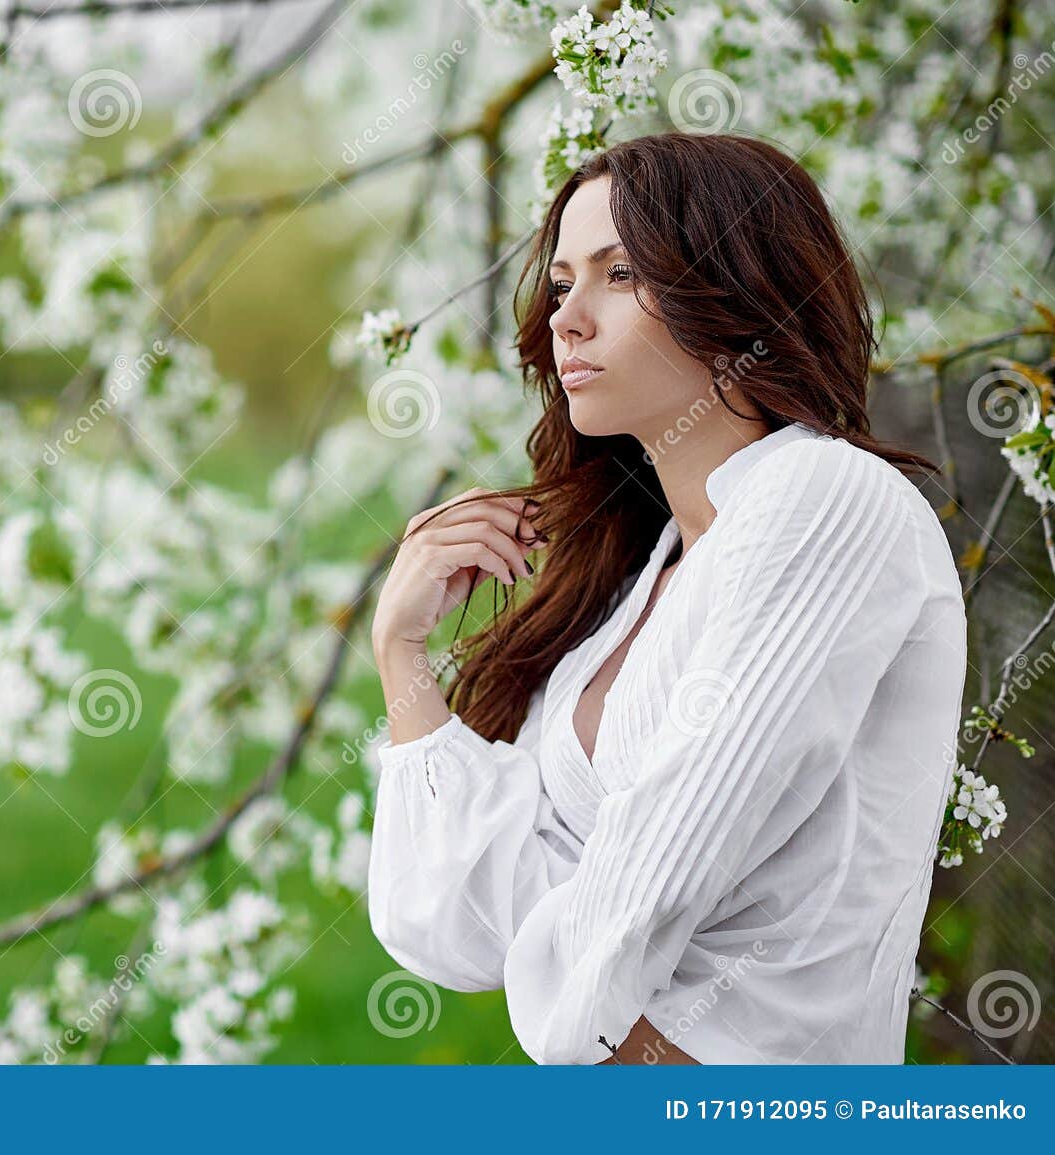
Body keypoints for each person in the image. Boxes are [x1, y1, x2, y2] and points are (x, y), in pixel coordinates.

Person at [366, 132, 968, 1065]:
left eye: (621, 273)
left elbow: (642, 896)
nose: (567, 317)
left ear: (736, 294)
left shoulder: (826, 500)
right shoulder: (645, 577)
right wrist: (401, 653)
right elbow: (456, 925)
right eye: (563, 282)